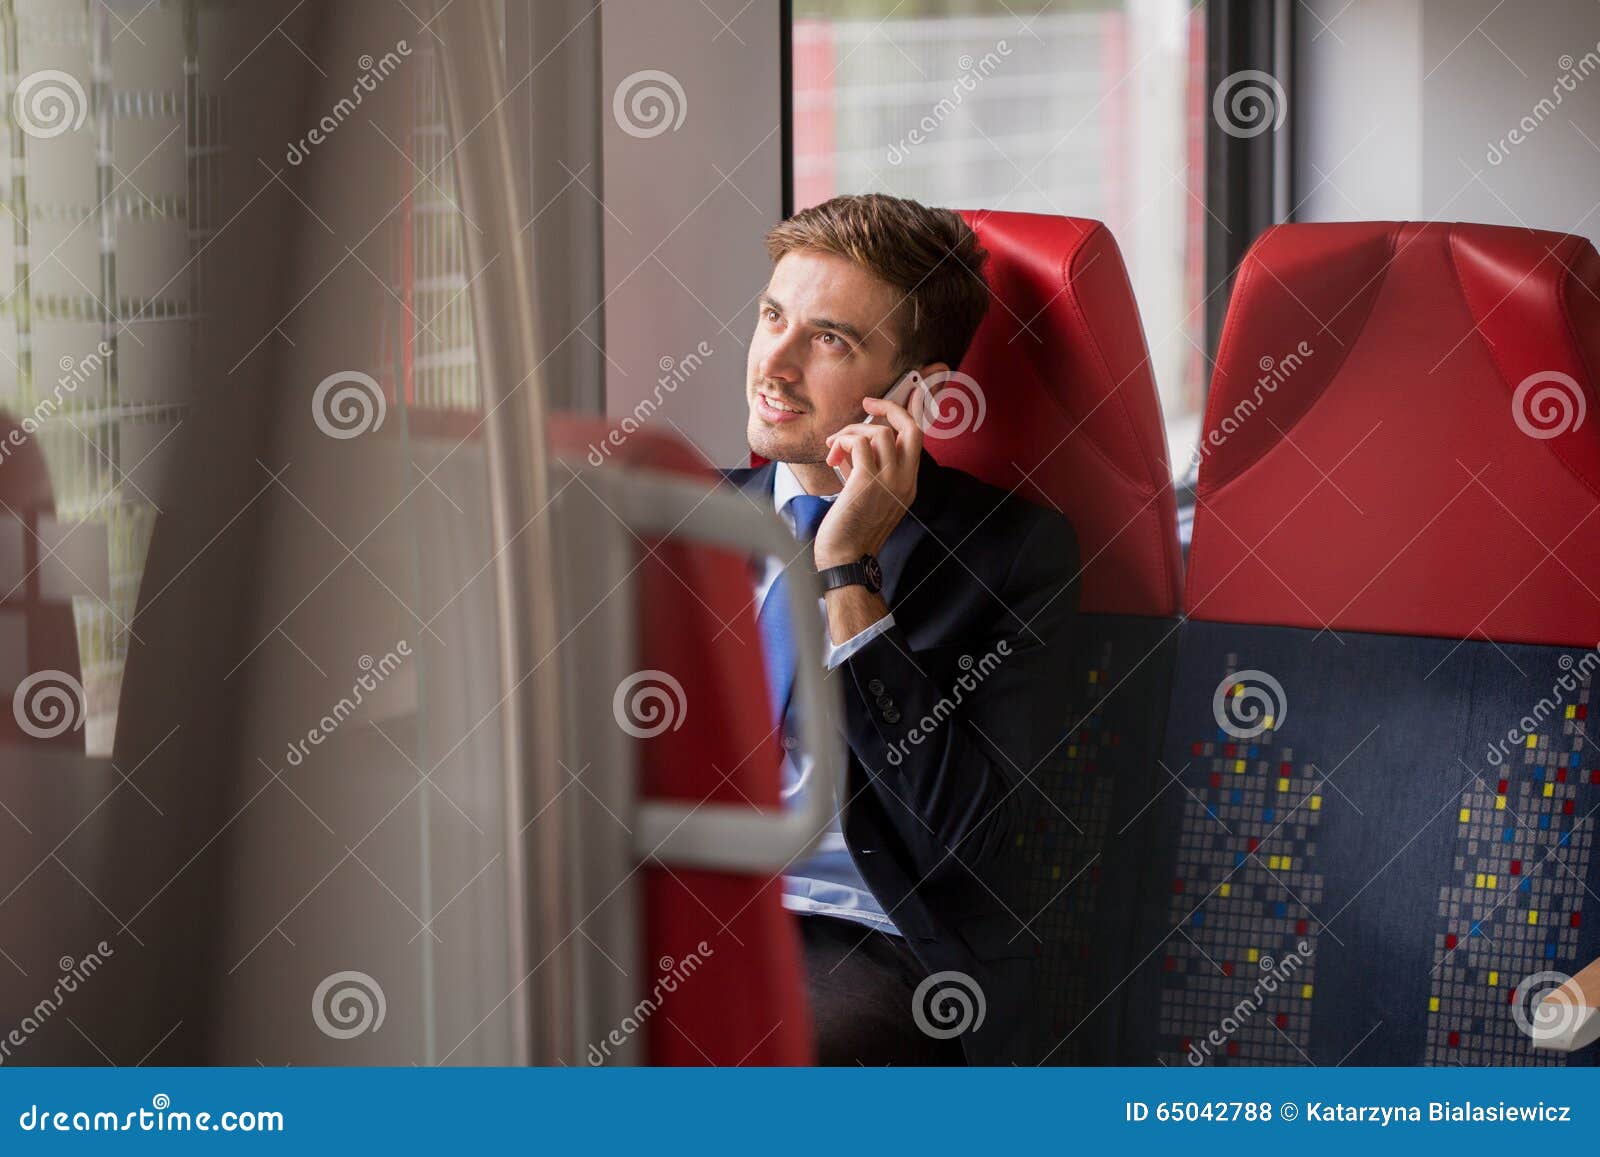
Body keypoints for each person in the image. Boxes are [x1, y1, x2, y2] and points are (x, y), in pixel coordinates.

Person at [723, 193, 1080, 1065]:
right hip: (678, 900)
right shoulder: (683, 516)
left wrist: (849, 573)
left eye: (829, 340)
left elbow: (973, 847)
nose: (776, 364)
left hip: (863, 931)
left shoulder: (1008, 553)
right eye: (773, 317)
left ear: (917, 394)